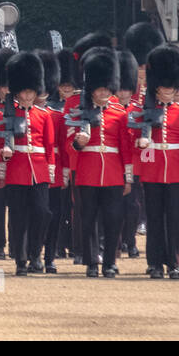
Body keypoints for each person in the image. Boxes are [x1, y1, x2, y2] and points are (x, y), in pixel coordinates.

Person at [128, 46, 179, 279]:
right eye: (164, 88)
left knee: (176, 220)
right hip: (152, 172)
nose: (168, 92)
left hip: (178, 173)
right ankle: (155, 263)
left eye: (171, 88)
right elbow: (132, 138)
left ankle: (174, 263)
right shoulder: (144, 111)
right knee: (155, 220)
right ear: (156, 88)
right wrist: (139, 141)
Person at [0, 52, 57, 277]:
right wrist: (3, 159)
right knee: (18, 217)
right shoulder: (6, 114)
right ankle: (20, 258)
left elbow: (49, 145)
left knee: (42, 212)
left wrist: (51, 170)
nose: (28, 96)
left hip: (39, 170)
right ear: (17, 92)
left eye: (31, 91)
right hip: (16, 170)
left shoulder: (43, 115)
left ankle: (36, 254)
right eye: (24, 92)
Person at [66, 47, 130, 278]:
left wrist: (128, 176)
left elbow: (126, 148)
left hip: (113, 173)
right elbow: (67, 146)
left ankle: (110, 262)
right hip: (87, 173)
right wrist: (77, 144)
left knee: (113, 219)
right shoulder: (78, 112)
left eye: (106, 88)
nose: (103, 92)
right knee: (88, 218)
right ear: (92, 89)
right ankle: (92, 261)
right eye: (99, 88)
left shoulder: (120, 113)